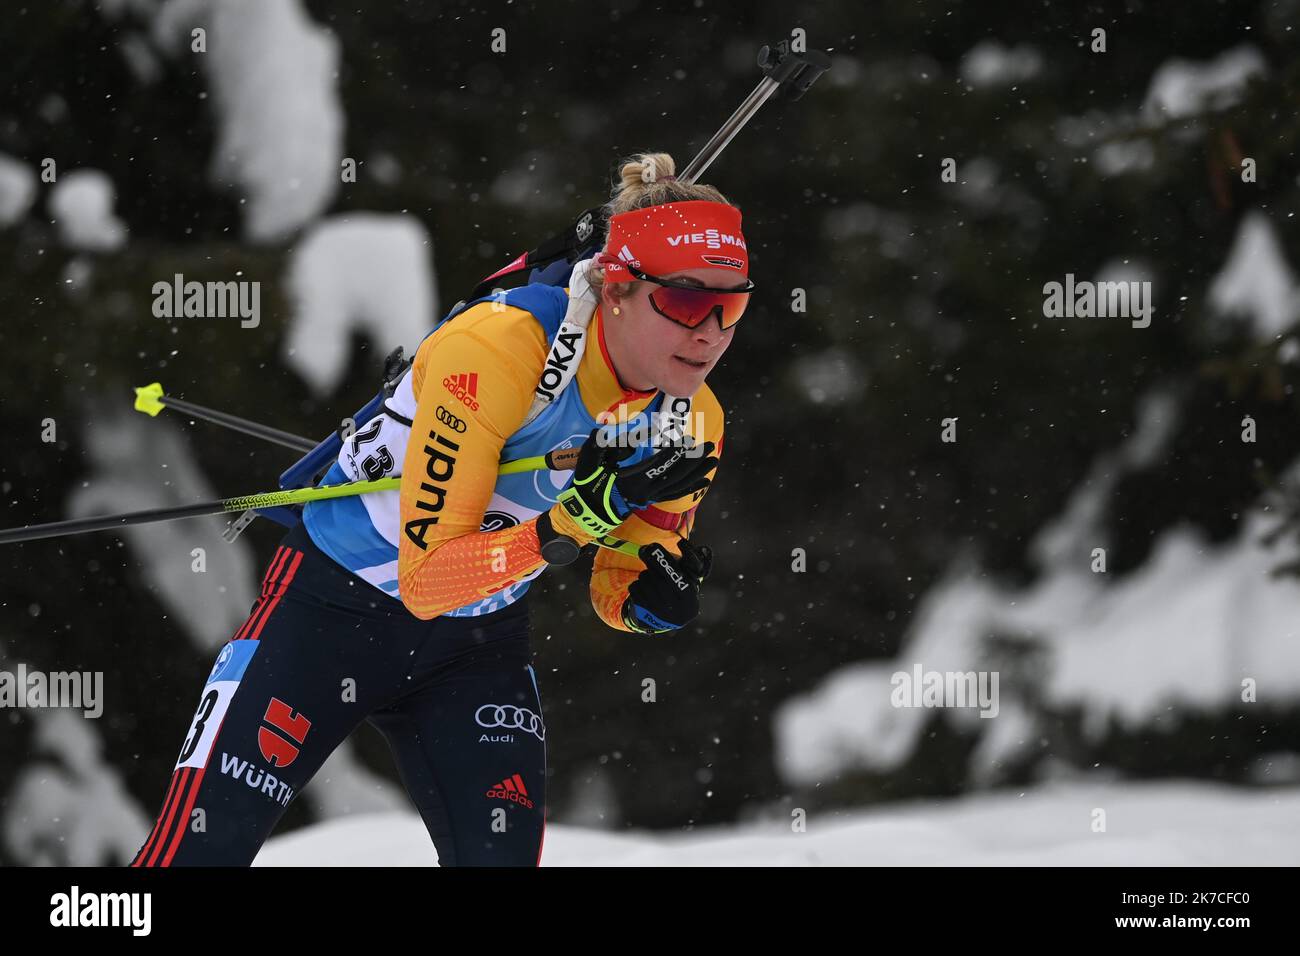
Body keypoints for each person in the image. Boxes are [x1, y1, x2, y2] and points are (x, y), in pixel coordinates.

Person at [130, 152, 751, 867]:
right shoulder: (497, 350)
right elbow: (426, 582)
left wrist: (653, 595)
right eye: (681, 301)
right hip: (329, 613)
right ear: (616, 288)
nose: (708, 332)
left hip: (476, 650)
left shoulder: (693, 418)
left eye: (730, 305)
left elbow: (616, 586)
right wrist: (570, 524)